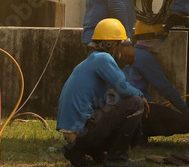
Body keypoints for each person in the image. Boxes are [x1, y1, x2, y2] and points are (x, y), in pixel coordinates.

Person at [57, 18, 150, 167]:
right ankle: (117, 159)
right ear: (113, 45)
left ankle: (80, 153)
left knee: (110, 107)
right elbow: (125, 89)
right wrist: (141, 96)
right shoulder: (103, 58)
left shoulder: (90, 61)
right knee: (135, 103)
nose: (120, 50)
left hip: (74, 133)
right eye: (120, 44)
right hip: (82, 131)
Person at [127, 21, 189, 137]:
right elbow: (166, 89)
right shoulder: (145, 57)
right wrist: (187, 113)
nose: (160, 40)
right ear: (148, 37)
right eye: (158, 36)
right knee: (188, 124)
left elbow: (163, 35)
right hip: (140, 108)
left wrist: (170, 24)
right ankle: (140, 132)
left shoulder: (133, 53)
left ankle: (138, 132)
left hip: (128, 108)